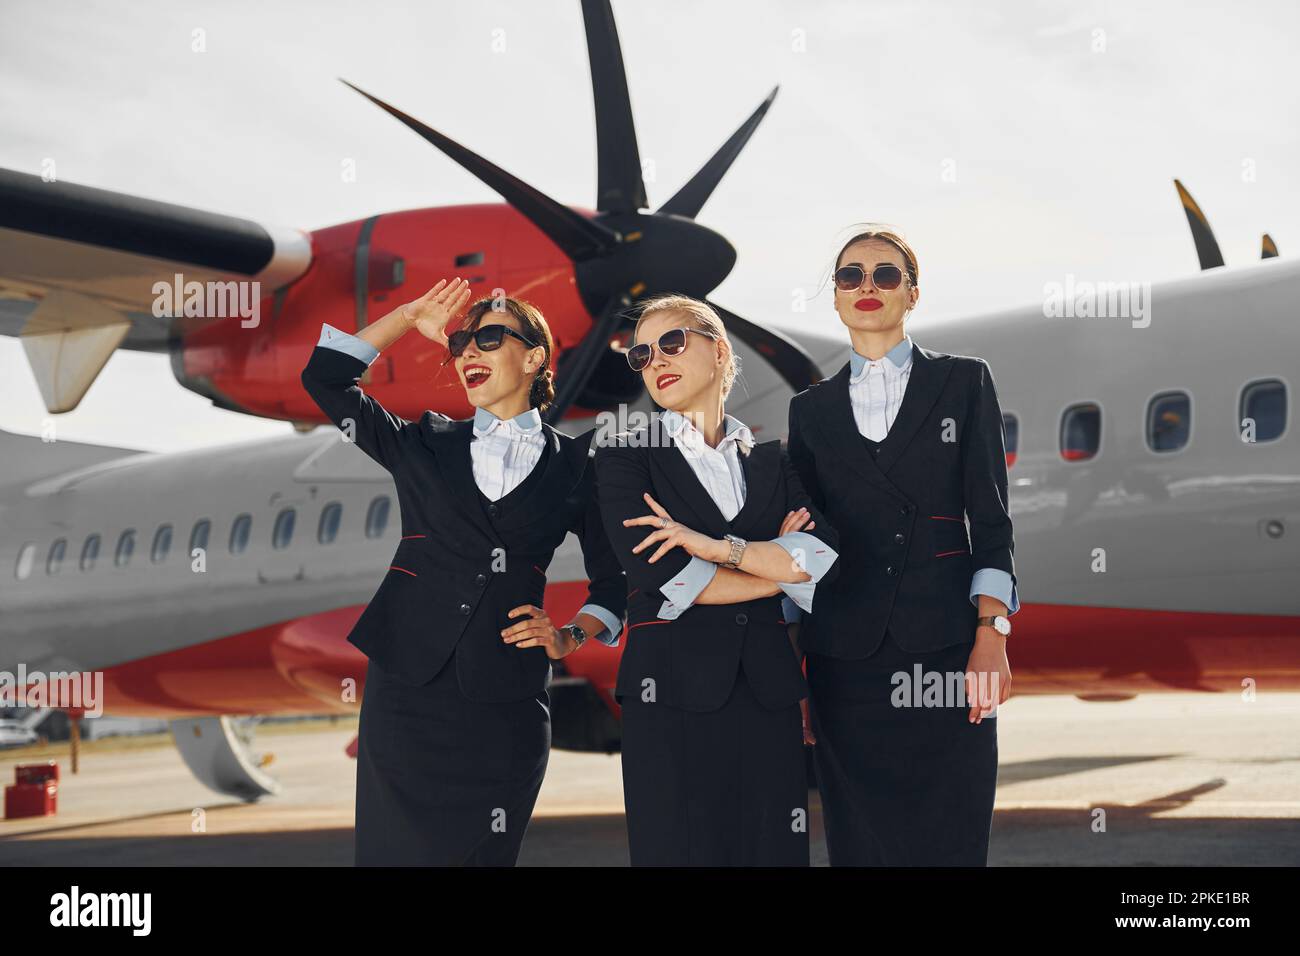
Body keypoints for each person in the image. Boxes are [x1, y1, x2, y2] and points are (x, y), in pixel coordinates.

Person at [300, 278, 627, 866]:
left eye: (489, 338)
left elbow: (614, 584)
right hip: (407, 689)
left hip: (505, 697)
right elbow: (324, 378)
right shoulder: (422, 443)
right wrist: (405, 316)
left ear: (533, 356)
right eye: (460, 345)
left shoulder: (580, 466)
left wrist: (570, 634)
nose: (468, 352)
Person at [786, 226, 1018, 866]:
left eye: (885, 275)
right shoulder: (810, 412)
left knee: (952, 828)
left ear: (911, 294)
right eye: (849, 276)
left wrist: (990, 634)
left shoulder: (965, 383)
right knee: (860, 840)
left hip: (944, 645)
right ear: (834, 296)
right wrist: (792, 667)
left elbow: (992, 523)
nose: (866, 287)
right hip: (843, 656)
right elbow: (805, 549)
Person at [594, 293, 839, 866]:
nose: (655, 360)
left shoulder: (776, 461)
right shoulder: (624, 458)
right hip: (670, 697)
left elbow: (820, 562)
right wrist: (778, 568)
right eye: (640, 356)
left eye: (671, 343)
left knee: (773, 852)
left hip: (769, 695)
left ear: (719, 351)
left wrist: (713, 549)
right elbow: (671, 584)